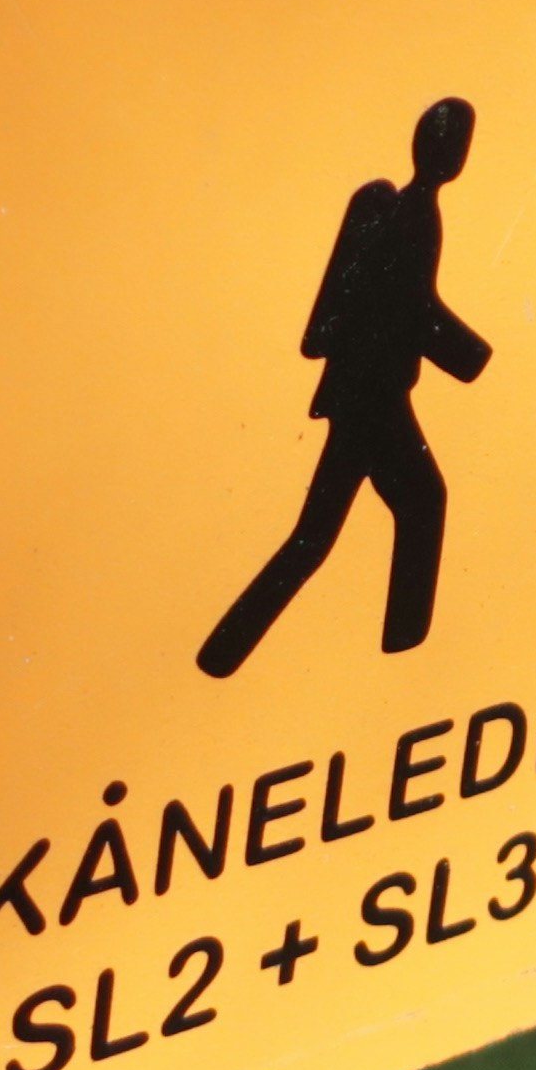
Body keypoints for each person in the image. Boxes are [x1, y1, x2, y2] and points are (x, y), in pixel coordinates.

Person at [199, 97, 492, 676]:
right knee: (413, 505)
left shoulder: (408, 210)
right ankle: (405, 651)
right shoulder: (409, 215)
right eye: (449, 143)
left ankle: (228, 650)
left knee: (317, 536)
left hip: (367, 395)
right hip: (373, 398)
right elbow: (410, 307)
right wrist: (470, 354)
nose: (452, 155)